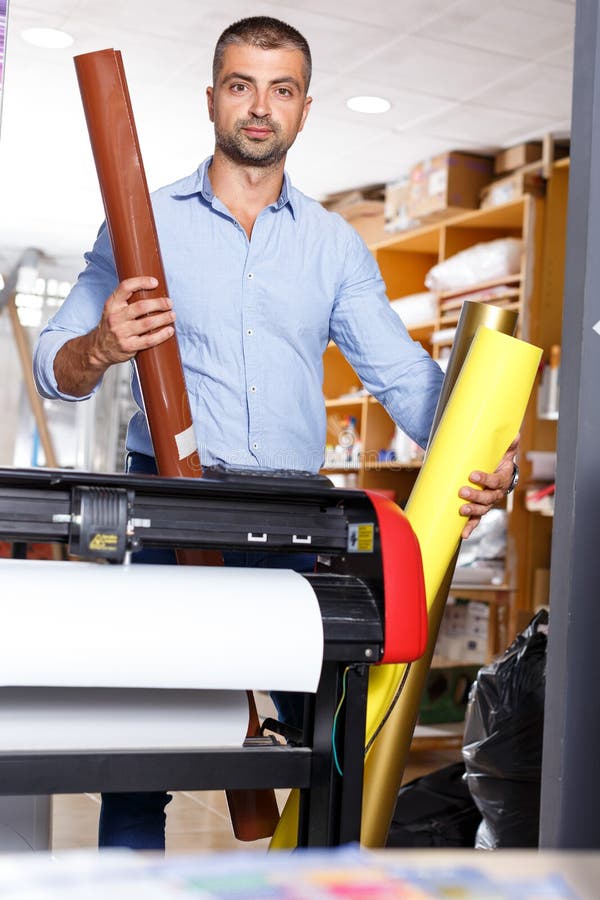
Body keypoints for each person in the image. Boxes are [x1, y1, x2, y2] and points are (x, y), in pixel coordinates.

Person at [33, 16, 518, 850]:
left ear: (304, 108)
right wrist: (100, 346)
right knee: (145, 763)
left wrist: (483, 453)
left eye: (281, 89)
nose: (261, 107)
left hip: (297, 524)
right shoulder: (142, 222)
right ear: (213, 98)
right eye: (242, 85)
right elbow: (54, 364)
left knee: (336, 756)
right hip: (169, 511)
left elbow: (404, 380)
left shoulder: (333, 246)